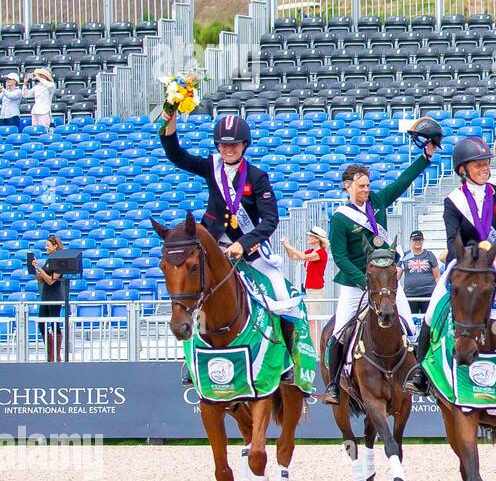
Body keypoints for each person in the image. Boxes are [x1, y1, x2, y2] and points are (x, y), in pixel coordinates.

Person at [404, 135, 496, 394]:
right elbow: (452, 240)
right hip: (464, 267)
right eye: (478, 165)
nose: (485, 168)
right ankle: (421, 371)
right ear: (463, 170)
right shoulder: (453, 201)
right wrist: (470, 259)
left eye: (486, 163)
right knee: (431, 311)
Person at [161, 112, 297, 385]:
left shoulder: (257, 177)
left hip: (248, 249)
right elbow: (177, 156)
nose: (228, 149)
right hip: (212, 249)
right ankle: (191, 360)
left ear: (244, 145)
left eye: (234, 144)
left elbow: (270, 220)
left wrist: (242, 244)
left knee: (281, 292)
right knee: (195, 296)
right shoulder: (211, 167)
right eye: (223, 145)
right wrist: (169, 124)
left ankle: (285, 358)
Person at [322, 117, 443, 405]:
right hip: (355, 284)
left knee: (410, 327)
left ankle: (420, 376)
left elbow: (402, 182)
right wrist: (361, 280)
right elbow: (339, 256)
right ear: (348, 187)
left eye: (368, 185)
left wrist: (425, 158)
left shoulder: (376, 202)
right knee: (339, 332)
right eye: (361, 186)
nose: (366, 190)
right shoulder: (340, 219)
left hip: (386, 281)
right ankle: (334, 386)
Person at [281, 225, 329, 349]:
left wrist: (290, 246)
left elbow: (303, 257)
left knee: (314, 321)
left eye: (311, 236)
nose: (308, 237)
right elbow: (293, 257)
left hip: (316, 290)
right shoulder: (311, 252)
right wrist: (286, 247)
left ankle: (318, 349)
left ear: (317, 239)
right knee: (311, 321)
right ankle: (316, 348)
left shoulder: (321, 253)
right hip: (309, 290)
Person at [33, 234, 68, 362]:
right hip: (45, 296)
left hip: (55, 296)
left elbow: (51, 280)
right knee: (41, 324)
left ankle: (56, 354)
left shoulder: (59, 261)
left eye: (48, 245)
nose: (46, 247)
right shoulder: (48, 260)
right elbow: (41, 279)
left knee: (54, 324)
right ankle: (50, 353)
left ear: (55, 246)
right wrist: (34, 269)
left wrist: (39, 269)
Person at [401, 230, 441, 323]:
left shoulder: (429, 255)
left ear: (423, 241)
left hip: (428, 294)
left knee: (428, 321)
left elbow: (437, 276)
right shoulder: (405, 256)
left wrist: (438, 293)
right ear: (410, 241)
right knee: (410, 321)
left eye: (419, 239)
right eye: (415, 240)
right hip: (410, 295)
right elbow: (396, 275)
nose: (417, 242)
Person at [23, 68, 56, 132]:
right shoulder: (37, 86)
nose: (39, 76)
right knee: (35, 131)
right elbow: (26, 95)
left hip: (44, 112)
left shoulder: (51, 85)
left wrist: (39, 78)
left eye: (41, 75)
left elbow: (50, 86)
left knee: (44, 131)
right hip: (35, 111)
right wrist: (25, 84)